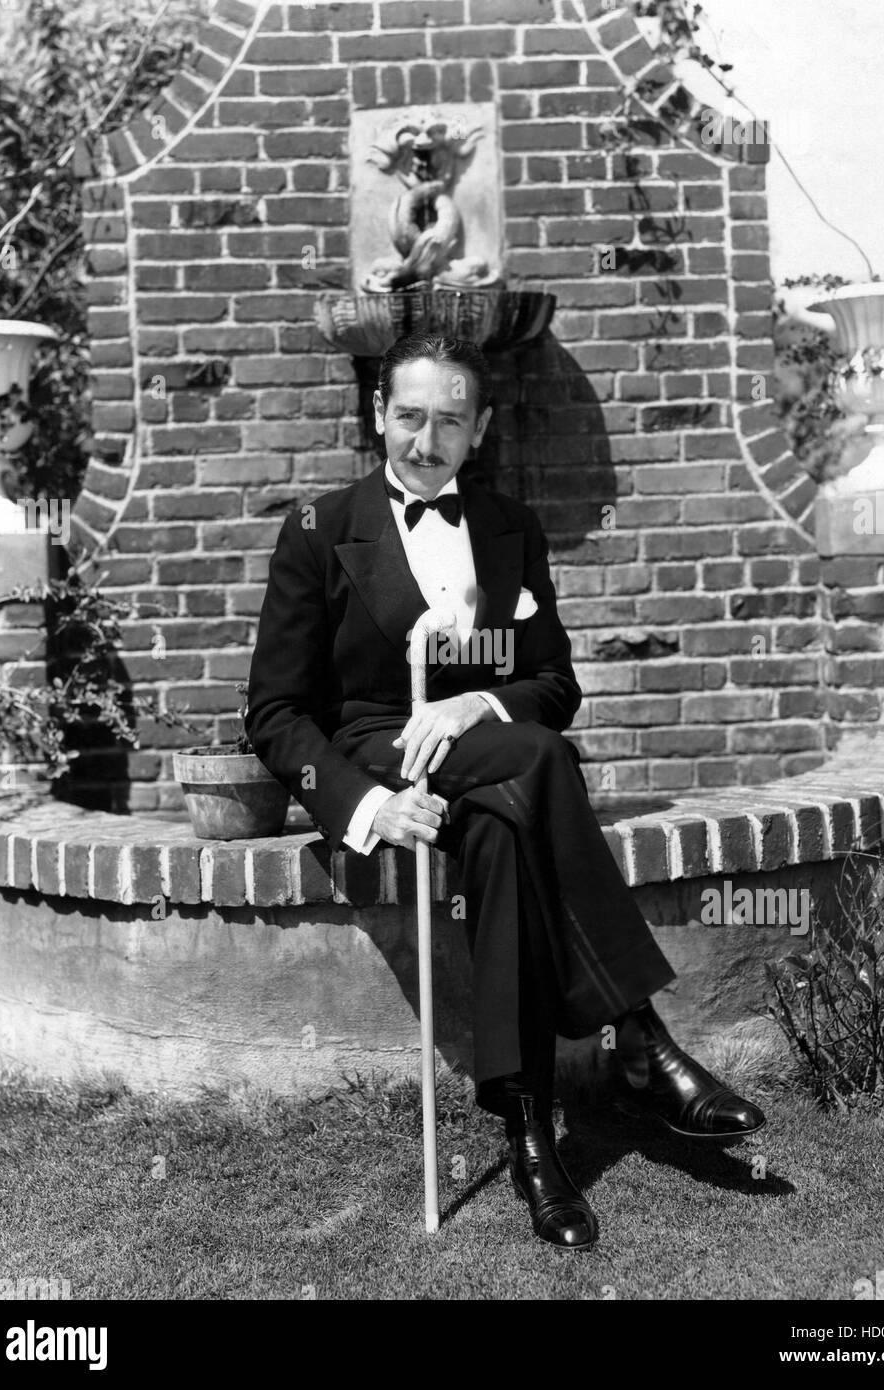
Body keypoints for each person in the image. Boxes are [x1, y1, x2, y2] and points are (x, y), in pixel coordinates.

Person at [245, 331, 765, 1251]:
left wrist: (478, 700)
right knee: (540, 760)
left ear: (479, 428)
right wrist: (368, 808)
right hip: (380, 746)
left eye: (449, 421)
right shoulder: (318, 531)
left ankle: (530, 1141)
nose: (424, 441)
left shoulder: (510, 527)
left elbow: (555, 685)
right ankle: (639, 1037)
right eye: (409, 416)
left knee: (504, 819)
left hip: (490, 756)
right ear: (378, 415)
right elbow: (277, 713)